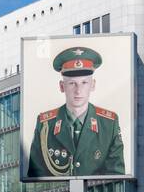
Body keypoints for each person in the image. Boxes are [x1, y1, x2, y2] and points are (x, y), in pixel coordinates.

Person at [26, 46, 126, 177]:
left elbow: (116, 177)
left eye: (84, 83)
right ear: (62, 86)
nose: (78, 90)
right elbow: (36, 175)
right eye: (72, 83)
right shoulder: (45, 124)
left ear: (93, 85)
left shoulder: (108, 123)